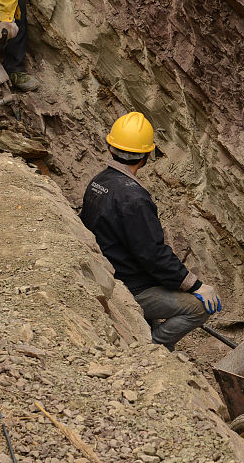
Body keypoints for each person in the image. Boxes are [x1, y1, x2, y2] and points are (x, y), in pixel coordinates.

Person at [80, 112, 222, 348]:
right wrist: (197, 286)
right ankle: (152, 348)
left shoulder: (99, 181)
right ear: (146, 155)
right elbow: (153, 256)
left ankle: (147, 327)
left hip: (111, 272)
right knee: (198, 309)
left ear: (110, 148)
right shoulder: (134, 198)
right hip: (129, 286)